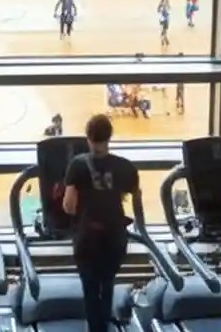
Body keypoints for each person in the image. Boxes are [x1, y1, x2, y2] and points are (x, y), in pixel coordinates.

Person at [62, 115, 139, 332]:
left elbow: (69, 205)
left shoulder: (77, 165)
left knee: (89, 285)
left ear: (88, 137)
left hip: (88, 237)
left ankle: (95, 326)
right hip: (115, 236)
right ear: (109, 137)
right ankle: (104, 320)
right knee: (107, 280)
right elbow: (133, 199)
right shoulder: (126, 167)